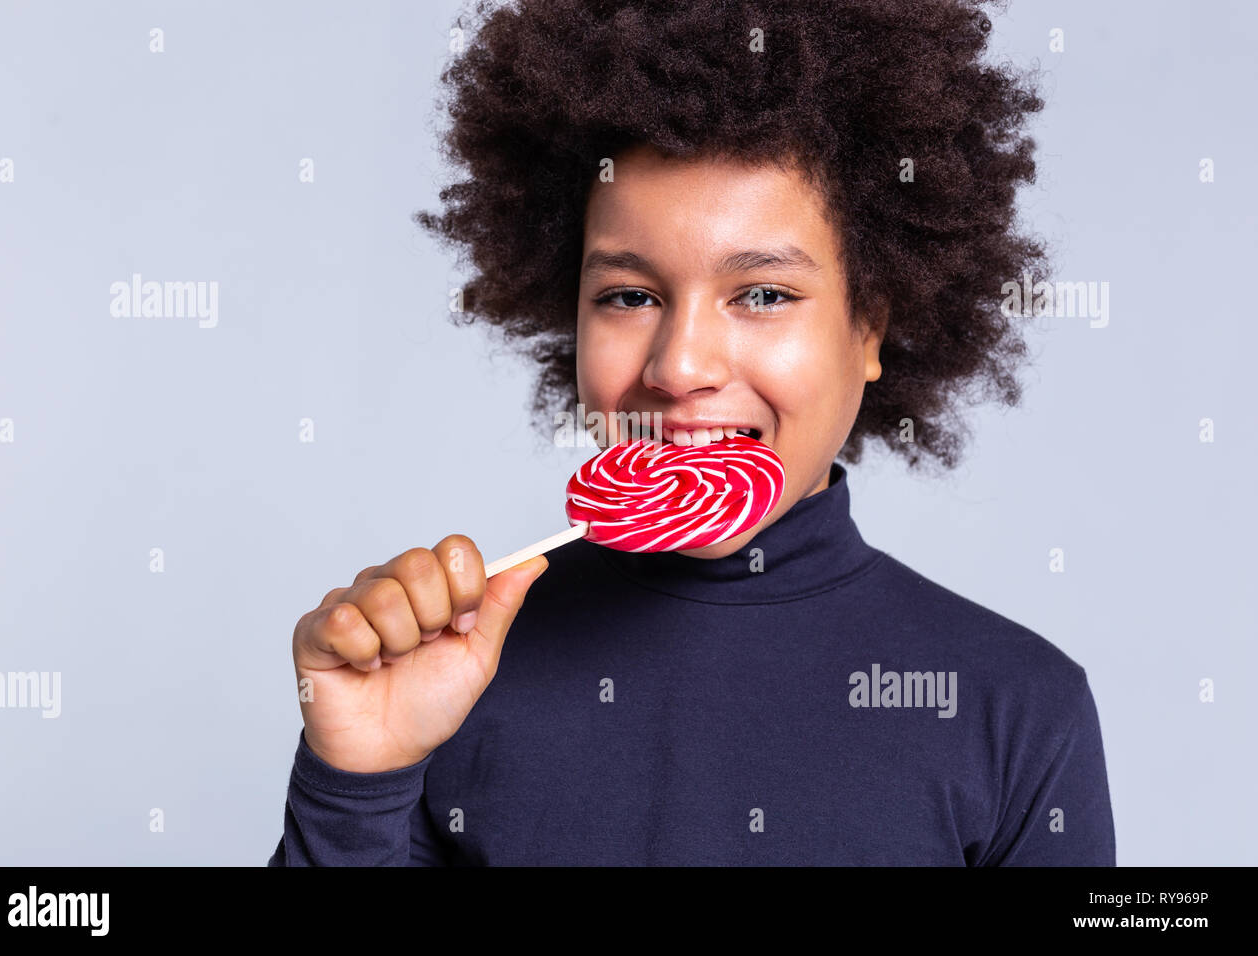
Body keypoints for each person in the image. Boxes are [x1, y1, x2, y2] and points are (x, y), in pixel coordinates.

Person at [269, 0, 1115, 866]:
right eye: (630, 297)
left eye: (762, 294)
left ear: (868, 330)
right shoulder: (452, 675)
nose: (678, 367)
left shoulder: (1018, 710)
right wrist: (356, 782)